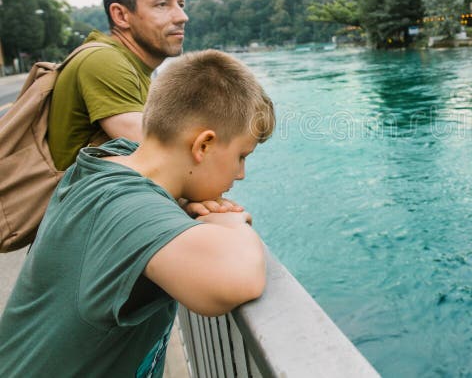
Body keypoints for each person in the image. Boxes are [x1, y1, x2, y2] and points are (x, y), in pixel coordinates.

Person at [0, 50, 274, 377]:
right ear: (203, 145)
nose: (241, 174)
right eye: (242, 156)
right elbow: (236, 279)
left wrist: (180, 204)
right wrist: (232, 222)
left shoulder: (113, 160)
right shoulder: (125, 207)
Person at [48, 0, 230, 216]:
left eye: (180, 4)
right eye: (162, 5)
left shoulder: (135, 69)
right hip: (80, 223)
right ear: (121, 15)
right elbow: (161, 150)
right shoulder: (103, 61)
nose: (182, 17)